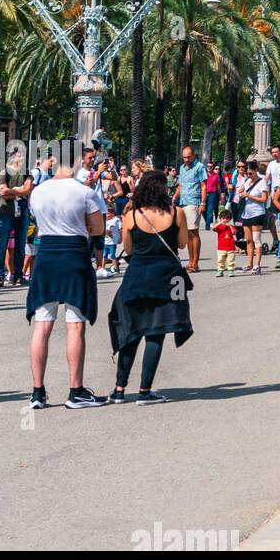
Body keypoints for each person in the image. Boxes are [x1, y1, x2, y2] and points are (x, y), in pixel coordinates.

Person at [108, 169, 193, 404]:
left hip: (137, 277)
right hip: (167, 278)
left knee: (131, 332)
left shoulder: (132, 216)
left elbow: (129, 247)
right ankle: (145, 391)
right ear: (164, 189)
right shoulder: (176, 213)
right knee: (156, 333)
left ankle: (119, 389)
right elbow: (183, 244)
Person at [26, 163, 106, 409]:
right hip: (74, 255)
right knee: (74, 326)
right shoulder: (84, 192)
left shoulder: (38, 191)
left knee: (42, 325)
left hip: (47, 254)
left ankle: (37, 392)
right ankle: (75, 390)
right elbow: (98, 228)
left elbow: (36, 221)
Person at [0, 149, 33, 287]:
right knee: (2, 245)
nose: (23, 157)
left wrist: (13, 191)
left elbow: (28, 190)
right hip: (6, 211)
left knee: (20, 245)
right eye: (20, 155)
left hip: (22, 212)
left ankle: (18, 275)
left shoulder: (27, 172)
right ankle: (0, 275)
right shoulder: (4, 171)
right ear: (13, 157)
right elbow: (2, 192)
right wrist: (19, 190)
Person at [176, 145, 207, 273]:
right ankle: (190, 262)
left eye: (189, 157)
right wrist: (174, 197)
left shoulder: (199, 167)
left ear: (194, 155)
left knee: (194, 232)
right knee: (188, 233)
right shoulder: (182, 168)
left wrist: (203, 203)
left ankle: (195, 263)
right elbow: (180, 185)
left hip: (194, 202)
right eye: (184, 157)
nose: (186, 159)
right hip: (183, 202)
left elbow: (203, 186)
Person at [237, 160, 270, 273]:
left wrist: (249, 196)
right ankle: (249, 264)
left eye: (250, 173)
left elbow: (264, 199)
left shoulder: (262, 182)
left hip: (257, 213)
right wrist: (240, 193)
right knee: (248, 241)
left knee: (256, 239)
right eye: (247, 173)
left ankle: (257, 265)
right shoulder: (247, 181)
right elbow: (241, 194)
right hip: (246, 214)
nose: (248, 175)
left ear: (256, 170)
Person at [214, 207, 237, 277]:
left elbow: (234, 232)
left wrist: (229, 226)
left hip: (230, 247)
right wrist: (220, 222)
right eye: (223, 218)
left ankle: (231, 271)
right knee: (220, 260)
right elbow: (213, 228)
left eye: (227, 219)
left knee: (231, 260)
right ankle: (220, 271)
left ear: (230, 219)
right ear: (220, 218)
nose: (225, 220)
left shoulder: (231, 226)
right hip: (221, 247)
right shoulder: (219, 227)